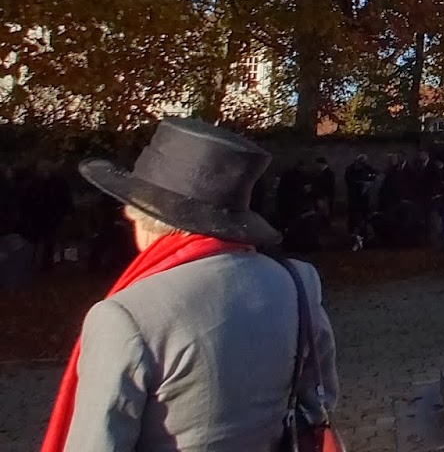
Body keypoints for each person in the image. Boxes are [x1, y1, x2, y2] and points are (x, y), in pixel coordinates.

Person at [42, 117, 336, 452]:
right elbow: (320, 398)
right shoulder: (297, 282)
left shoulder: (125, 316)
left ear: (143, 218)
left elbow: (96, 444)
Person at [344, 153, 379, 243]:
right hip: (354, 196)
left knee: (365, 214)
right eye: (361, 162)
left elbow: (374, 174)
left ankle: (364, 232)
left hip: (364, 197)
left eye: (364, 162)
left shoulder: (367, 168)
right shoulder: (350, 169)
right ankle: (352, 233)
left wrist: (369, 181)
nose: (362, 164)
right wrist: (361, 183)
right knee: (353, 214)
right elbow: (349, 180)